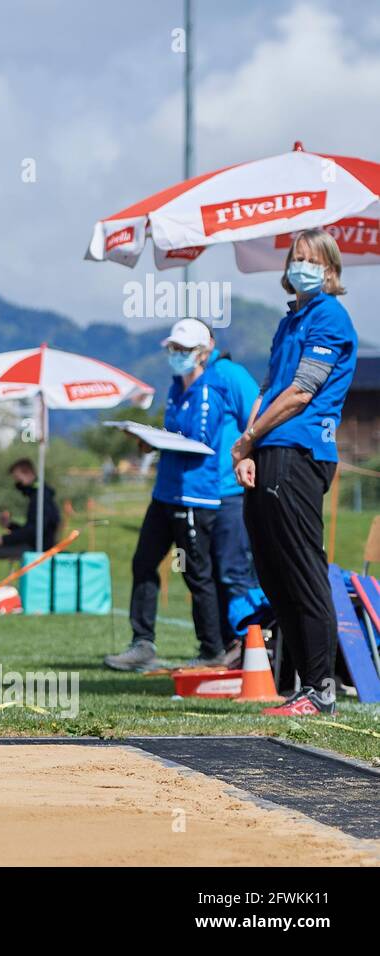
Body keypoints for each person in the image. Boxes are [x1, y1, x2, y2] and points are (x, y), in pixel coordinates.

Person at [232, 228, 358, 717]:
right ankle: (304, 685)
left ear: (329, 270)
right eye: (295, 257)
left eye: (310, 259)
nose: (299, 265)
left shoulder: (329, 316)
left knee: (302, 566)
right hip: (268, 450)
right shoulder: (290, 321)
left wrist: (250, 438)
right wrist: (246, 448)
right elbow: (268, 389)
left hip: (299, 451)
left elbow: (302, 392)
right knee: (273, 570)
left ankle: (321, 687)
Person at [104, 319, 260, 672]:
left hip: (207, 492)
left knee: (209, 572)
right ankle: (143, 642)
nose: (177, 355)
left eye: (184, 349)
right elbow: (178, 433)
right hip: (168, 490)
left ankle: (223, 646)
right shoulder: (177, 386)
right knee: (145, 562)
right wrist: (151, 441)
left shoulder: (226, 376)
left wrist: (247, 456)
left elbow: (254, 417)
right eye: (173, 348)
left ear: (205, 349)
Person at [0, 458, 59, 591]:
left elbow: (35, 531)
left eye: (18, 479)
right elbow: (33, 528)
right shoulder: (38, 494)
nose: (17, 484)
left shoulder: (41, 497)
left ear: (28, 473)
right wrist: (10, 525)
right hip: (33, 543)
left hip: (38, 548)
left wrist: (3, 540)